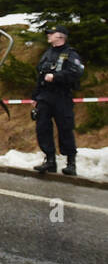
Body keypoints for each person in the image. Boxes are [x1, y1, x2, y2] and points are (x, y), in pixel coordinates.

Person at [33, 26, 84, 176]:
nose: (48, 36)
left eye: (51, 33)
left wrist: (56, 77)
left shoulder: (70, 54)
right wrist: (35, 97)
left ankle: (71, 163)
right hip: (45, 96)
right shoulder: (47, 54)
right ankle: (50, 161)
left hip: (62, 96)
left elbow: (77, 72)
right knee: (42, 128)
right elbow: (40, 76)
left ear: (60, 36)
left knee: (65, 128)